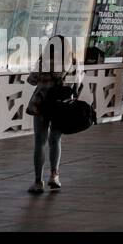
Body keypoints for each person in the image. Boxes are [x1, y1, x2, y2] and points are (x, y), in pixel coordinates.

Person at [26, 35, 78, 194]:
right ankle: (54, 176)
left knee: (40, 143)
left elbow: (32, 80)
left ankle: (37, 182)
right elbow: (76, 83)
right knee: (55, 139)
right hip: (60, 106)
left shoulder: (43, 62)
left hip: (41, 105)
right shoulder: (72, 63)